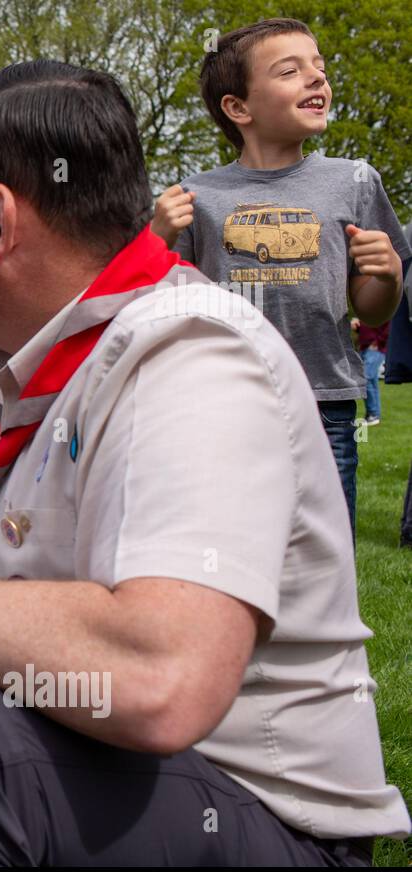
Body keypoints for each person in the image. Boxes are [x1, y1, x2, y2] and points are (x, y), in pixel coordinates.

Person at [0, 61, 410, 866]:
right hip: (118, 782)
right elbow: (23, 652)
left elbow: (157, 677)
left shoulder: (196, 354)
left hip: (276, 838)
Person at [152, 18, 410, 538]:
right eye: (290, 71)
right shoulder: (196, 196)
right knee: (231, 543)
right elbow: (160, 298)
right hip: (226, 399)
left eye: (320, 67)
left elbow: (369, 309)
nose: (316, 78)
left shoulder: (355, 180)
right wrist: (157, 236)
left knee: (322, 550)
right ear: (239, 108)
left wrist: (390, 274)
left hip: (326, 400)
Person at [352, 315, 386, 425]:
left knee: (366, 378)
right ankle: (373, 414)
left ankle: (373, 414)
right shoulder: (368, 308)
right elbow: (368, 329)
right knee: (372, 381)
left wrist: (378, 342)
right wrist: (358, 327)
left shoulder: (383, 306)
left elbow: (389, 326)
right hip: (365, 347)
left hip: (375, 348)